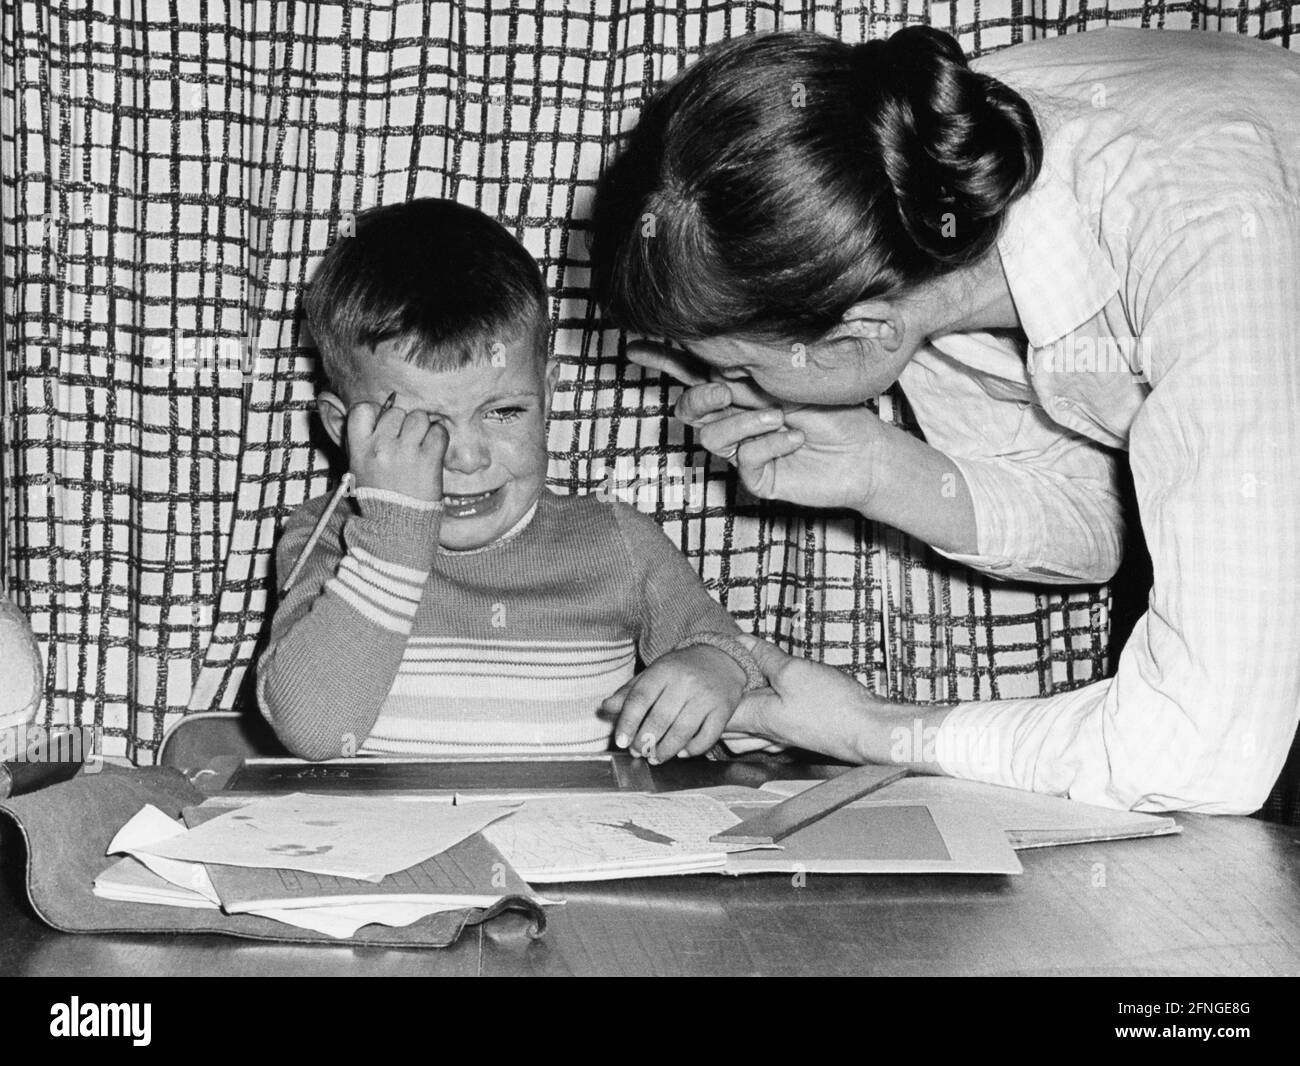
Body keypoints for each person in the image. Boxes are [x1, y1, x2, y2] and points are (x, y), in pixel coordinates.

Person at [590, 26, 1300, 813]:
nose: (723, 395)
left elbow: (1205, 752)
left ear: (860, 333)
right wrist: (878, 469)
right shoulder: (906, 205)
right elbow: (1099, 526)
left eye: (736, 369)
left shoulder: (1203, 228)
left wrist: (877, 730)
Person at [256, 198, 764, 761]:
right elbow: (311, 730)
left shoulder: (618, 541)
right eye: (421, 426)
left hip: (573, 844)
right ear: (343, 429)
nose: (467, 458)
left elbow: (740, 661)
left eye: (504, 412)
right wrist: (392, 540)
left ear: (547, 396)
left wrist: (716, 668)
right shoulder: (328, 538)